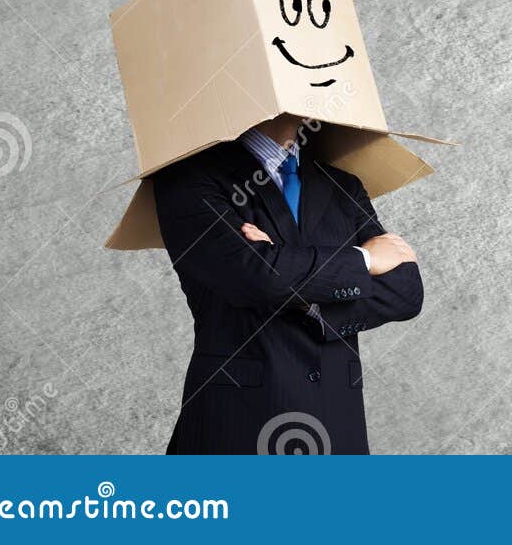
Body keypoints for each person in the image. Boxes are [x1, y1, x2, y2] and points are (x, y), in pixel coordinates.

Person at [154, 114, 423, 454]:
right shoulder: (189, 181)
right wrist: (364, 260)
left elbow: (406, 292)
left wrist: (293, 281)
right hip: (239, 424)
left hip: (337, 420)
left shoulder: (343, 185)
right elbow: (255, 278)